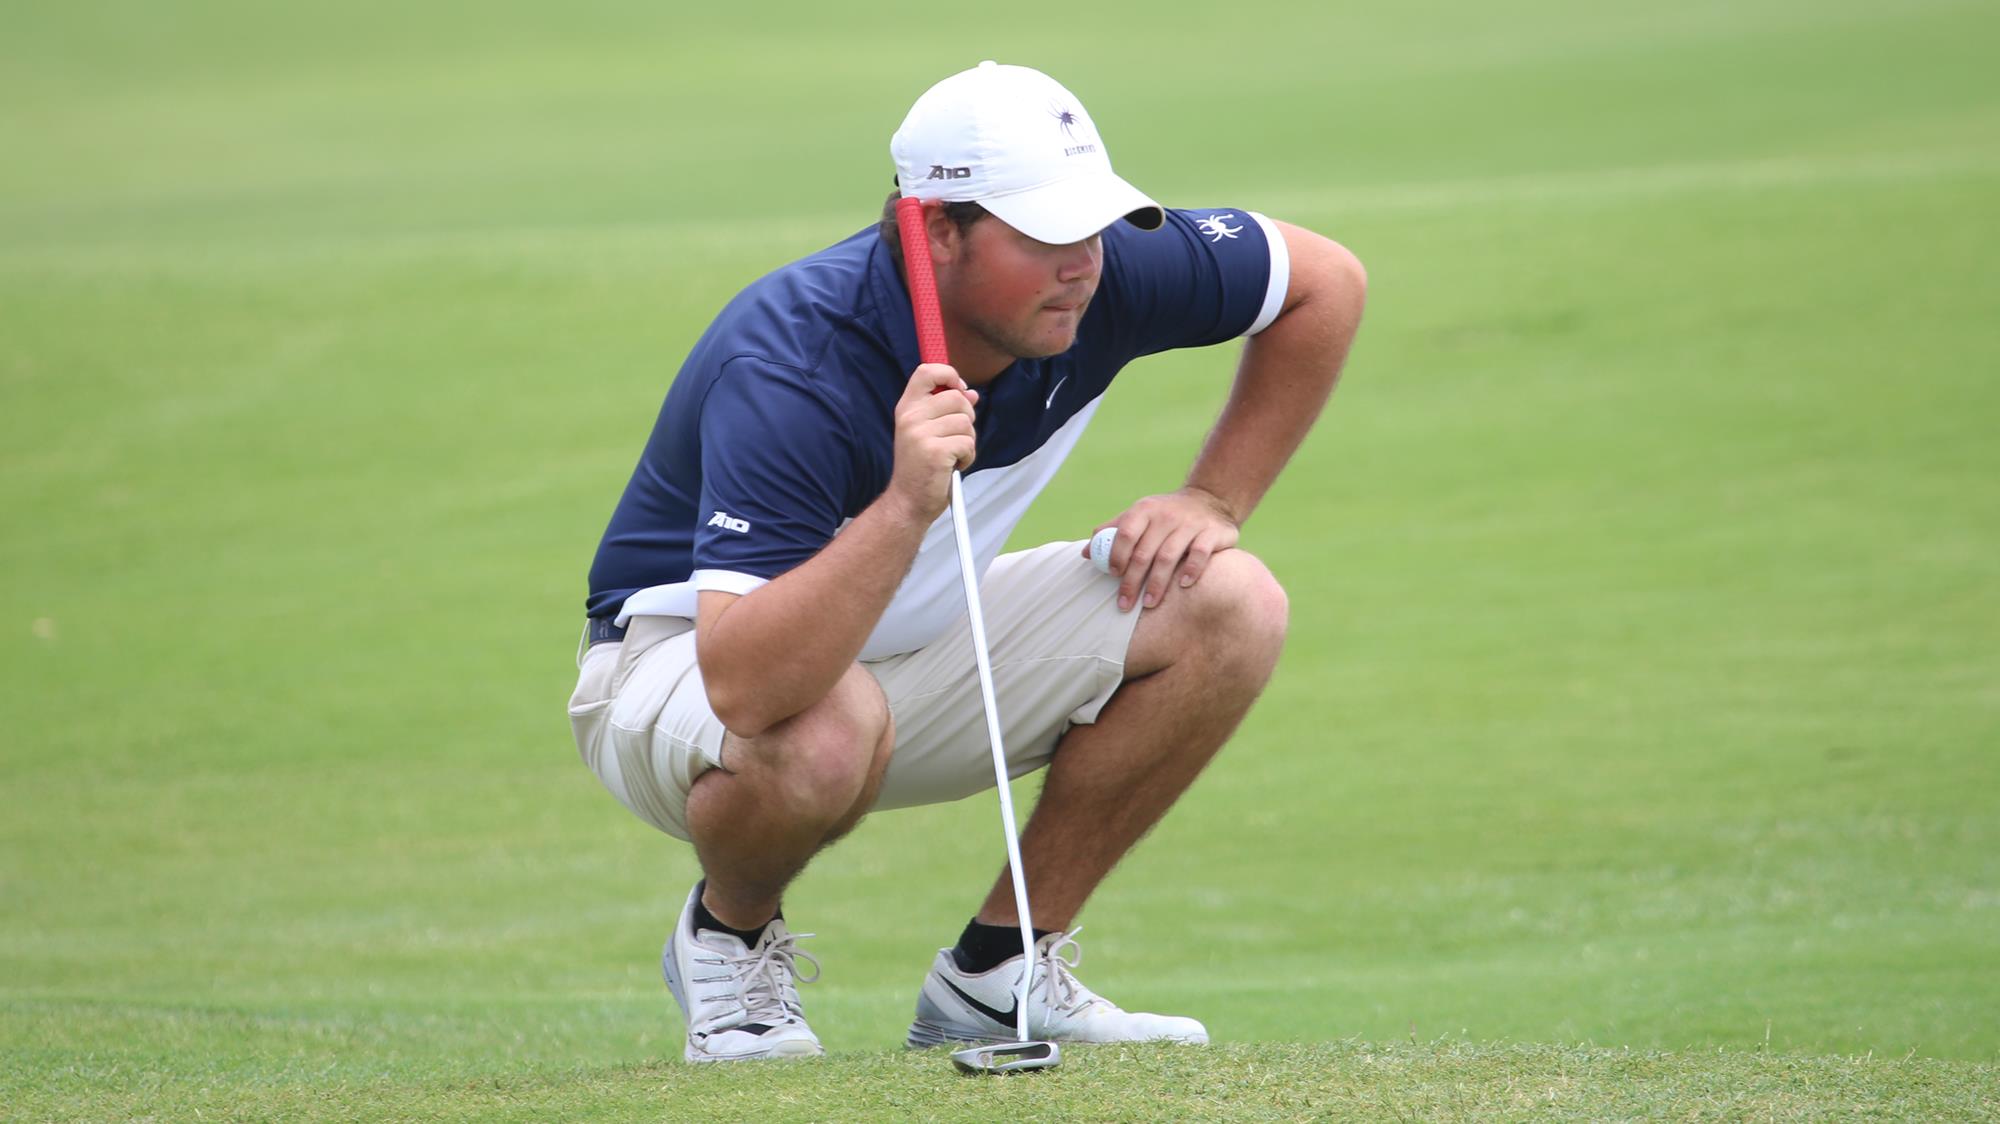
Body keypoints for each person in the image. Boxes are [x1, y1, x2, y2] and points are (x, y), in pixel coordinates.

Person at [568, 60, 1366, 1063]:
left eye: (1091, 225)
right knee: (822, 724)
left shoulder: (1099, 273)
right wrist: (907, 500)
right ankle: (725, 939)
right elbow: (743, 683)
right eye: (1041, 235)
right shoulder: (792, 361)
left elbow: (1325, 283)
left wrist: (1212, 497)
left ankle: (998, 972)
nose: (1081, 262)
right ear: (933, 229)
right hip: (674, 670)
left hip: (904, 643)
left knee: (1228, 603)